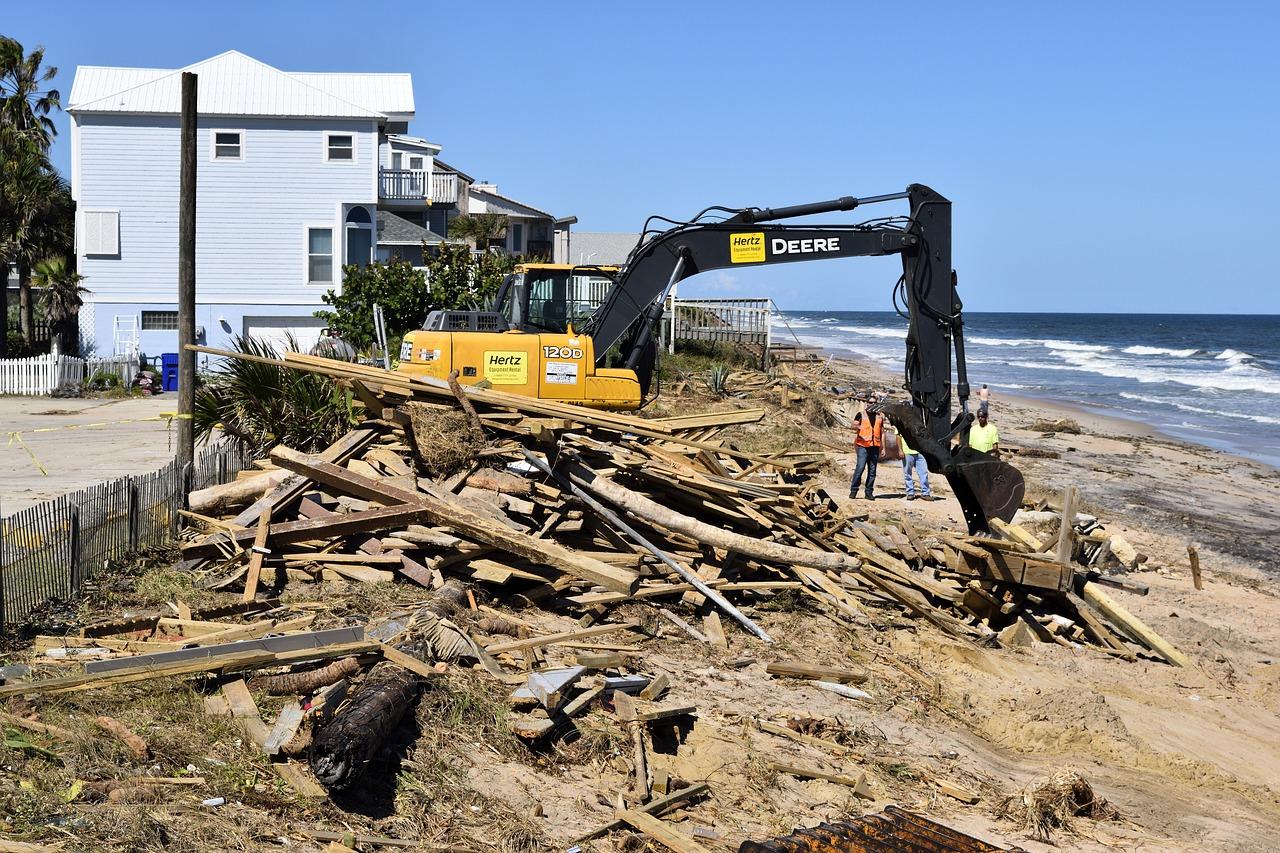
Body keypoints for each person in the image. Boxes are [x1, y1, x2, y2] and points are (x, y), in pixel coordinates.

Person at [849, 402, 884, 499]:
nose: (871, 404)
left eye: (874, 402)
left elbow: (882, 433)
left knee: (872, 471)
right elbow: (853, 425)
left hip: (875, 447)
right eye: (870, 402)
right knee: (860, 468)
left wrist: (883, 446)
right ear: (866, 403)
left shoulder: (879, 416)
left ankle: (869, 492)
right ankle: (854, 490)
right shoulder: (861, 414)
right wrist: (858, 426)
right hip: (863, 446)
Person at [899, 429, 931, 500]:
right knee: (907, 473)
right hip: (907, 452)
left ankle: (925, 493)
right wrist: (900, 450)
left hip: (920, 452)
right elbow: (898, 437)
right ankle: (910, 493)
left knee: (924, 473)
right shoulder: (900, 422)